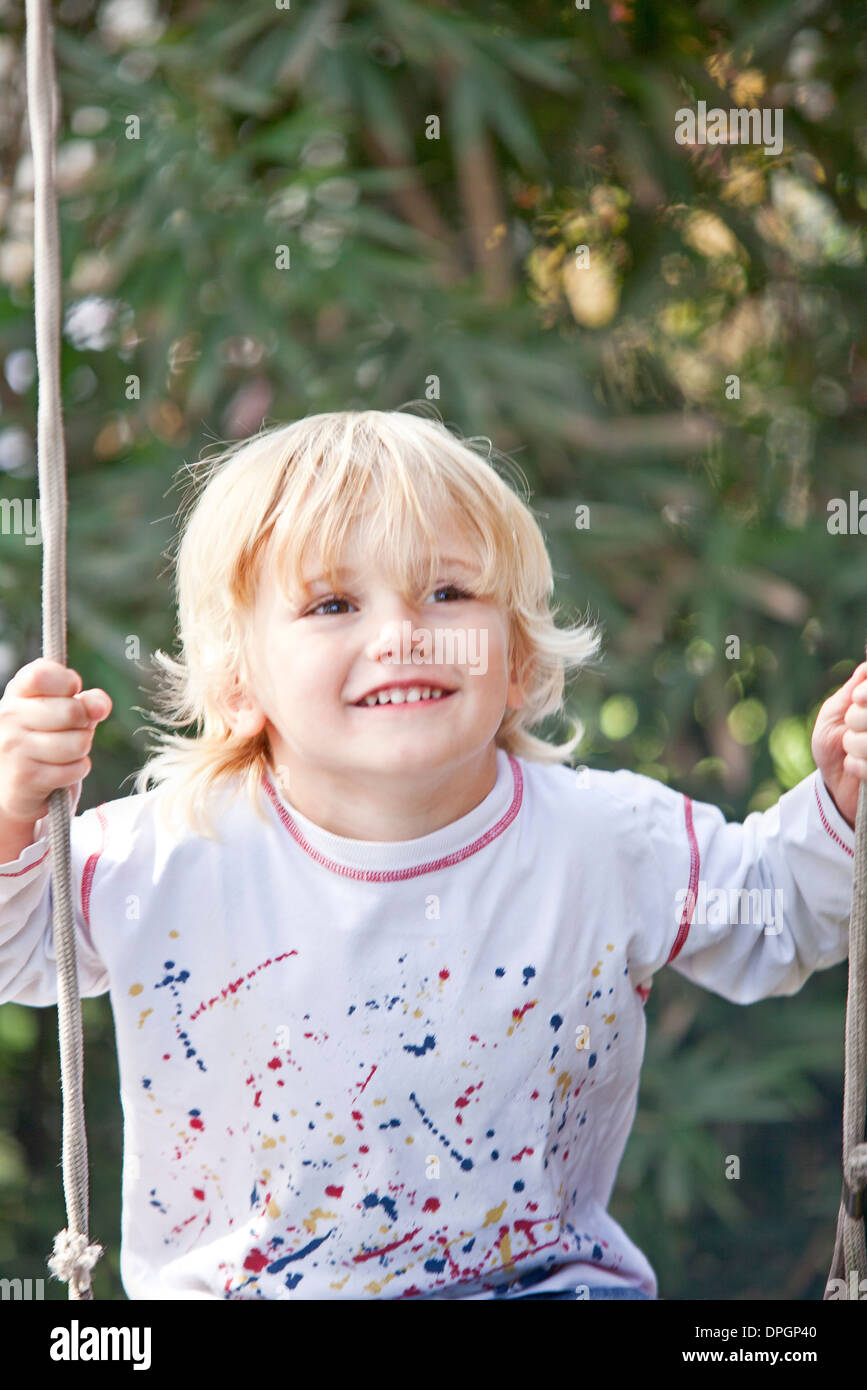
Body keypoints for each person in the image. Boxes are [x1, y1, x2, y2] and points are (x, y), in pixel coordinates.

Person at [0, 407, 865, 1301]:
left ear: (518, 657)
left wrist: (840, 798)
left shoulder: (604, 843)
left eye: (447, 594)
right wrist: (14, 802)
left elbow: (779, 910)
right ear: (236, 683)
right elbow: (10, 943)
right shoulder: (167, 856)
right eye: (333, 604)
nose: (400, 635)